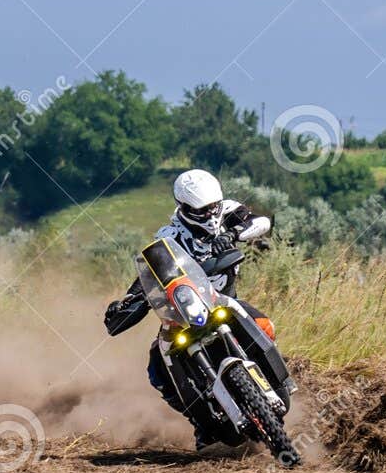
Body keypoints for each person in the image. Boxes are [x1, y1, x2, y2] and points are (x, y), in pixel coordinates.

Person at [103, 169, 271, 446]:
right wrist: (131, 299)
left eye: (212, 207)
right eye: (201, 210)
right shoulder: (169, 236)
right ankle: (200, 422)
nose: (209, 214)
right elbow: (151, 272)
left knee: (263, 325)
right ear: (184, 207)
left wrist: (233, 235)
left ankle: (276, 378)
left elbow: (260, 222)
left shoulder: (228, 212)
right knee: (157, 371)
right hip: (184, 312)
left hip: (224, 299)